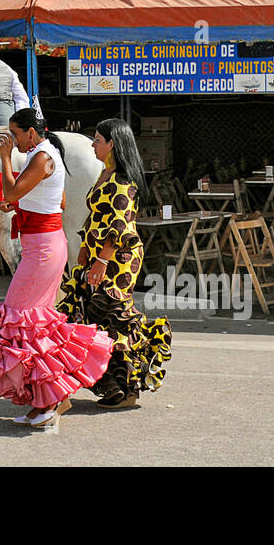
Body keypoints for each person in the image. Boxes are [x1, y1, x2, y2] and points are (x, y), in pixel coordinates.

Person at [0, 107, 114, 427]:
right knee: (33, 326)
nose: (12, 140)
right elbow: (60, 202)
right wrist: (21, 201)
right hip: (44, 246)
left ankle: (52, 398)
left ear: (31, 133)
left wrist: (5, 159)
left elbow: (11, 190)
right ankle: (45, 400)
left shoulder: (40, 157)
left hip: (42, 251)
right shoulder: (46, 155)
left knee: (18, 319)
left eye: (16, 134)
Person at [59, 117, 172, 408]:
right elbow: (96, 216)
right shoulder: (104, 173)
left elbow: (118, 224)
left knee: (115, 317)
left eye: (97, 140)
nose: (93, 144)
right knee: (96, 319)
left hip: (118, 258)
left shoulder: (122, 180)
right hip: (99, 255)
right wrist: (85, 247)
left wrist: (100, 259)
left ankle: (129, 388)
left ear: (112, 144)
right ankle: (114, 388)